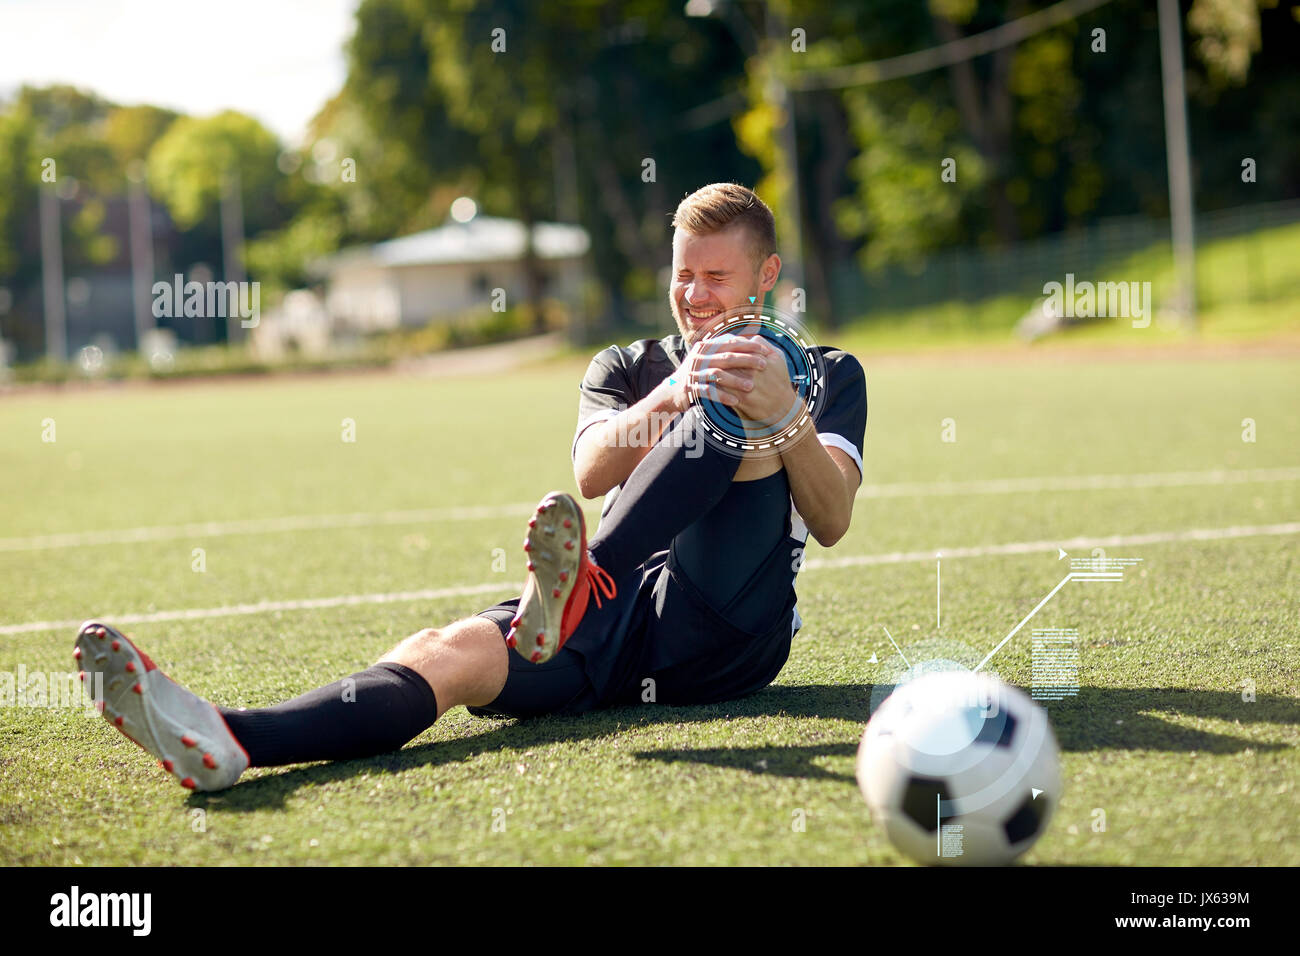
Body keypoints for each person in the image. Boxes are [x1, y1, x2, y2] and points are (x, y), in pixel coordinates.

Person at [74, 183, 867, 791]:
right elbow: (592, 469)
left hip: (725, 628)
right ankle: (229, 738)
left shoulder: (831, 372)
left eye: (716, 277)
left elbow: (830, 520)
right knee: (447, 654)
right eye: (682, 276)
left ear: (766, 274)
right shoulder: (625, 365)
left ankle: (577, 591)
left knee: (738, 410)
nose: (694, 297)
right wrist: (671, 393)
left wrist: (789, 419)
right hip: (612, 619)